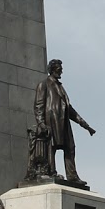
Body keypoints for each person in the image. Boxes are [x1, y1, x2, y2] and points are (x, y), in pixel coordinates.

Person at [33, 59, 95, 189]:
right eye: (58, 68)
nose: (61, 71)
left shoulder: (60, 87)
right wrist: (41, 123)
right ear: (52, 69)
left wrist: (85, 125)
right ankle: (51, 172)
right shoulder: (44, 84)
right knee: (52, 147)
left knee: (70, 147)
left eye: (61, 68)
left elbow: (69, 109)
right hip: (52, 120)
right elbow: (39, 105)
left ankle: (72, 176)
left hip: (63, 121)